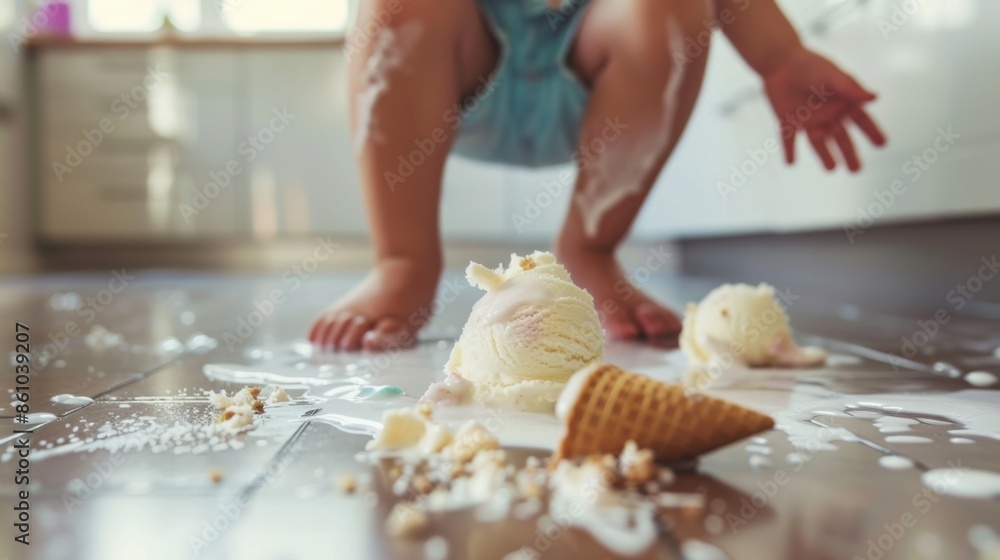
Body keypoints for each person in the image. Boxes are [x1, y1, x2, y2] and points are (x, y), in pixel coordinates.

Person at [309, 0, 886, 351]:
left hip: (607, 85)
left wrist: (780, 56)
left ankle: (591, 247)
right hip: (457, 74)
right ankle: (403, 261)